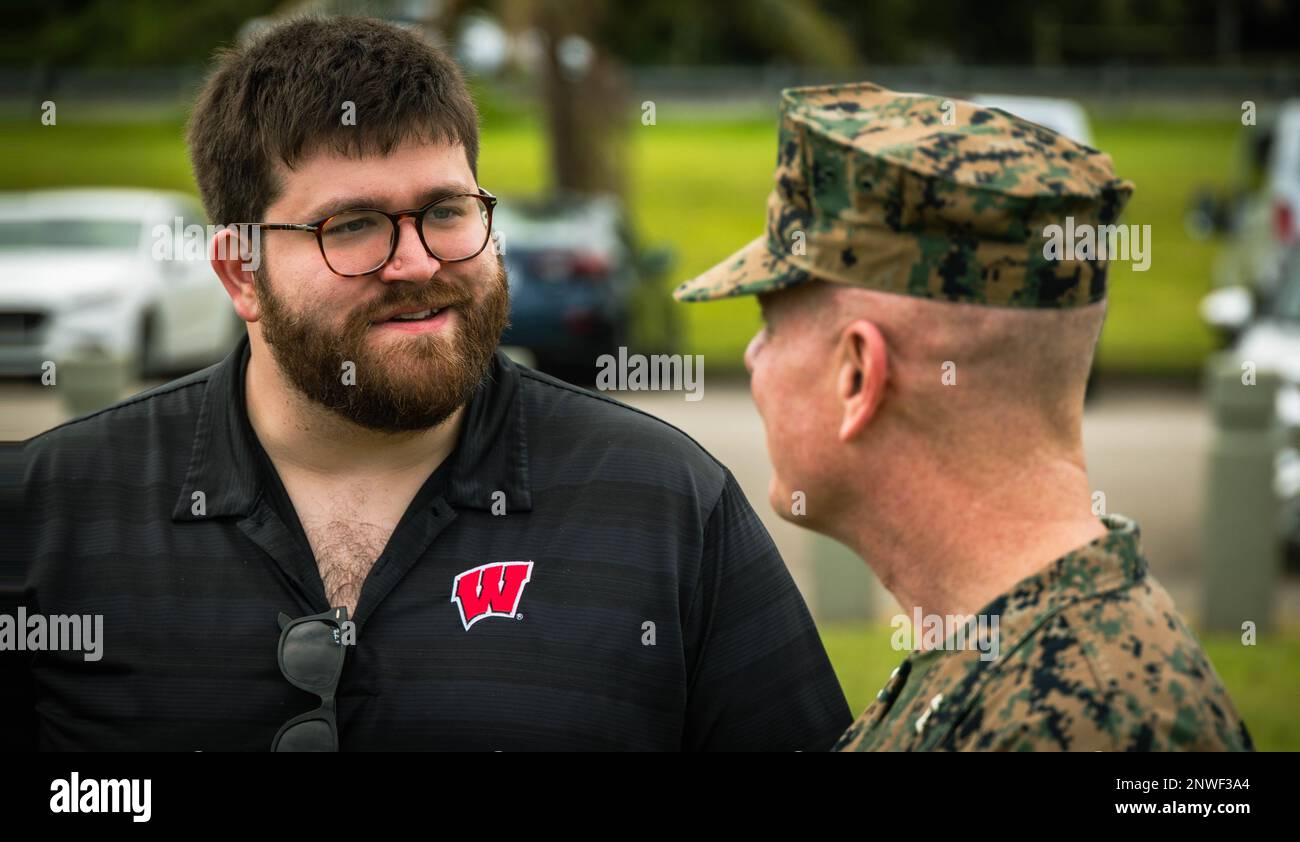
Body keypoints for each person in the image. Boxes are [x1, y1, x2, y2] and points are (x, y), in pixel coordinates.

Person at [16, 17, 851, 751]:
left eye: (447, 212)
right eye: (353, 225)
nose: (416, 263)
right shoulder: (45, 513)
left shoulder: (665, 503)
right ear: (240, 272)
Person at [674, 81, 1253, 752]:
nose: (752, 358)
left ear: (859, 373)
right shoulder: (1003, 658)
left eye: (769, 325)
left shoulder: (1092, 720)